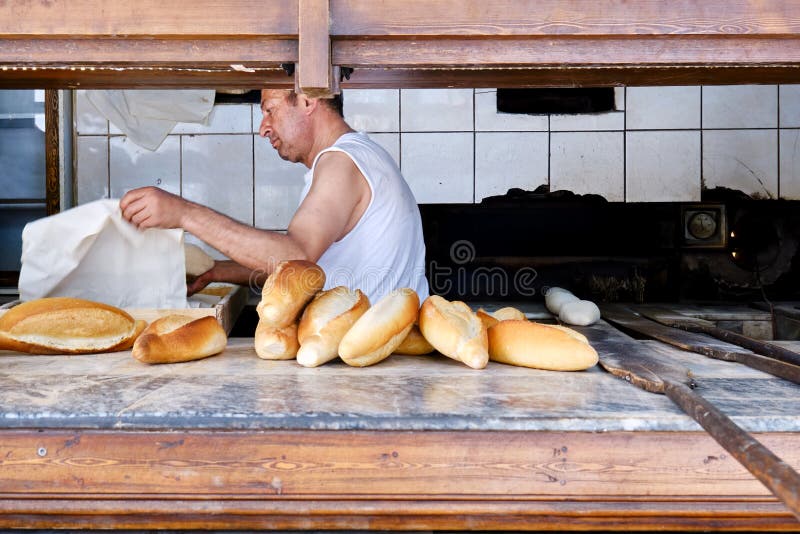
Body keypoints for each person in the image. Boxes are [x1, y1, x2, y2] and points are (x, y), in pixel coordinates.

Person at [119, 89, 429, 304]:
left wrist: (183, 213)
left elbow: (296, 255)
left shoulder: (341, 162)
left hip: (368, 373)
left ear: (307, 101)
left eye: (270, 110)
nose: (263, 128)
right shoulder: (357, 155)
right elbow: (305, 266)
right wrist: (215, 271)